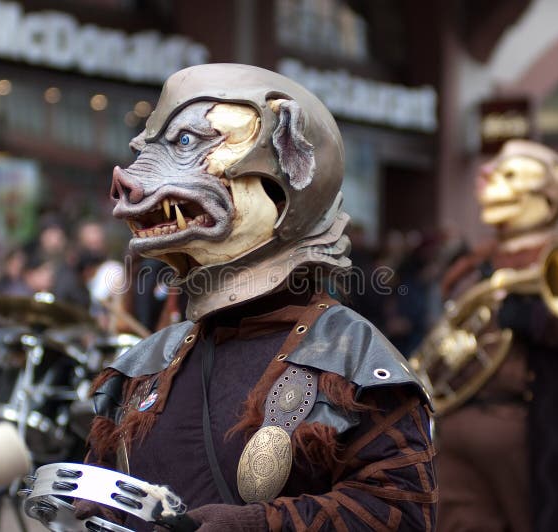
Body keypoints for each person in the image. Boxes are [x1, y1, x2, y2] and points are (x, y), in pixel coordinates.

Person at [77, 64, 436, 531]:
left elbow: (403, 514)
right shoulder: (146, 363)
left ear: (288, 171)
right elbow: (111, 479)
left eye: (192, 144)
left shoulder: (354, 362)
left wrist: (261, 525)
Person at [418, 140, 558, 532]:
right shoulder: (476, 262)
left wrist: (534, 317)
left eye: (511, 176)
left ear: (549, 196)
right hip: (458, 424)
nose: (490, 184)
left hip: (542, 433)